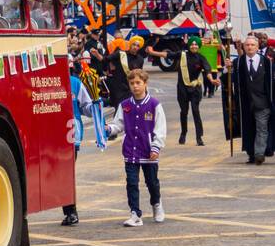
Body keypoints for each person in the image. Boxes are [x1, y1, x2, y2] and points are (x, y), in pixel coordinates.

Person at [105, 68, 166, 227]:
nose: (135, 86)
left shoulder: (154, 105)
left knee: (152, 182)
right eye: (132, 83)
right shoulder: (125, 105)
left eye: (138, 83)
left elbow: (160, 128)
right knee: (131, 182)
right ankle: (135, 213)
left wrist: (156, 147)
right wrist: (109, 129)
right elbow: (118, 124)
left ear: (145, 84)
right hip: (131, 150)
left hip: (148, 151)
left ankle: (156, 204)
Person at [63, 59, 107, 227]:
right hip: (51, 133)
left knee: (67, 173)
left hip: (71, 134)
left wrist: (96, 105)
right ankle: (69, 210)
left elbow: (86, 106)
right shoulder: (45, 81)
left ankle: (71, 212)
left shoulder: (75, 83)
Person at [233, 33, 275, 165]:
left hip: (263, 103)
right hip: (246, 103)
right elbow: (231, 79)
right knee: (249, 129)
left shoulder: (266, 62)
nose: (250, 47)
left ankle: (259, 154)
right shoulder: (238, 62)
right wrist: (226, 72)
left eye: (252, 45)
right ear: (244, 47)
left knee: (262, 128)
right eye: (247, 45)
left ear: (257, 47)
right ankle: (251, 154)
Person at [175, 37, 216, 146]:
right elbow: (167, 55)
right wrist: (152, 52)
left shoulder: (201, 58)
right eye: (192, 44)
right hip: (182, 88)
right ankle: (183, 133)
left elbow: (207, 70)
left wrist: (211, 80)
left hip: (195, 88)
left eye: (196, 44)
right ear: (189, 45)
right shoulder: (182, 54)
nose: (194, 46)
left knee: (195, 111)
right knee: (184, 112)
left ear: (199, 46)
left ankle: (199, 137)